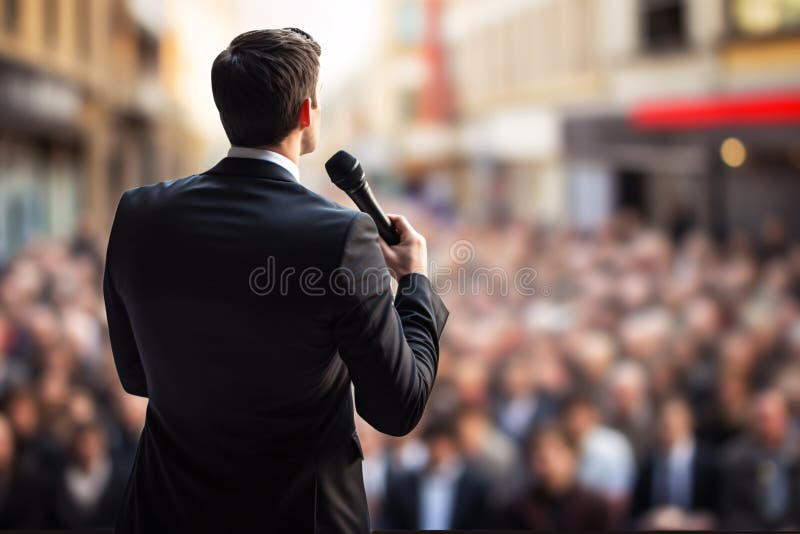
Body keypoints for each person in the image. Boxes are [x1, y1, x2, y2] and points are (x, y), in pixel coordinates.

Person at [103, 28, 448, 534]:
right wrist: (415, 282)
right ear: (307, 112)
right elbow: (398, 407)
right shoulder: (340, 237)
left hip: (166, 510)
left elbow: (136, 377)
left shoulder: (138, 213)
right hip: (295, 517)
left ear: (225, 114)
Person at [383, 420, 491, 529]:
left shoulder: (474, 488)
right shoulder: (403, 487)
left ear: (455, 448)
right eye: (434, 445)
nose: (438, 453)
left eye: (444, 447)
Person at [630, 396, 718, 528]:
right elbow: (634, 515)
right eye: (663, 417)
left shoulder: (709, 463)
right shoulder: (647, 464)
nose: (669, 422)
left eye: (675, 415)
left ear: (689, 420)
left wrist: (687, 522)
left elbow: (720, 513)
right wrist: (651, 519)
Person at [502, 425, 612, 530]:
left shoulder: (596, 508)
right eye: (537, 450)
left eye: (555, 449)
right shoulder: (517, 510)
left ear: (573, 456)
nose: (545, 456)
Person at [719, 389, 800, 529]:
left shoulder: (796, 457)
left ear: (785, 418)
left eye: (770, 418)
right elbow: (732, 512)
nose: (764, 425)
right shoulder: (735, 459)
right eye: (759, 419)